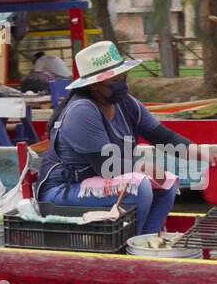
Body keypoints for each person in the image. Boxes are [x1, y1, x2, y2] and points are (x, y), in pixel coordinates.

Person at [36, 41, 196, 235]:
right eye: (113, 79)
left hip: (98, 180)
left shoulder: (127, 104)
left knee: (167, 183)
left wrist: (201, 154)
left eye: (122, 76)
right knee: (140, 186)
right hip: (63, 190)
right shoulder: (82, 111)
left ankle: (146, 241)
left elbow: (161, 136)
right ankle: (130, 246)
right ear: (94, 86)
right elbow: (106, 166)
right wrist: (142, 167)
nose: (121, 82)